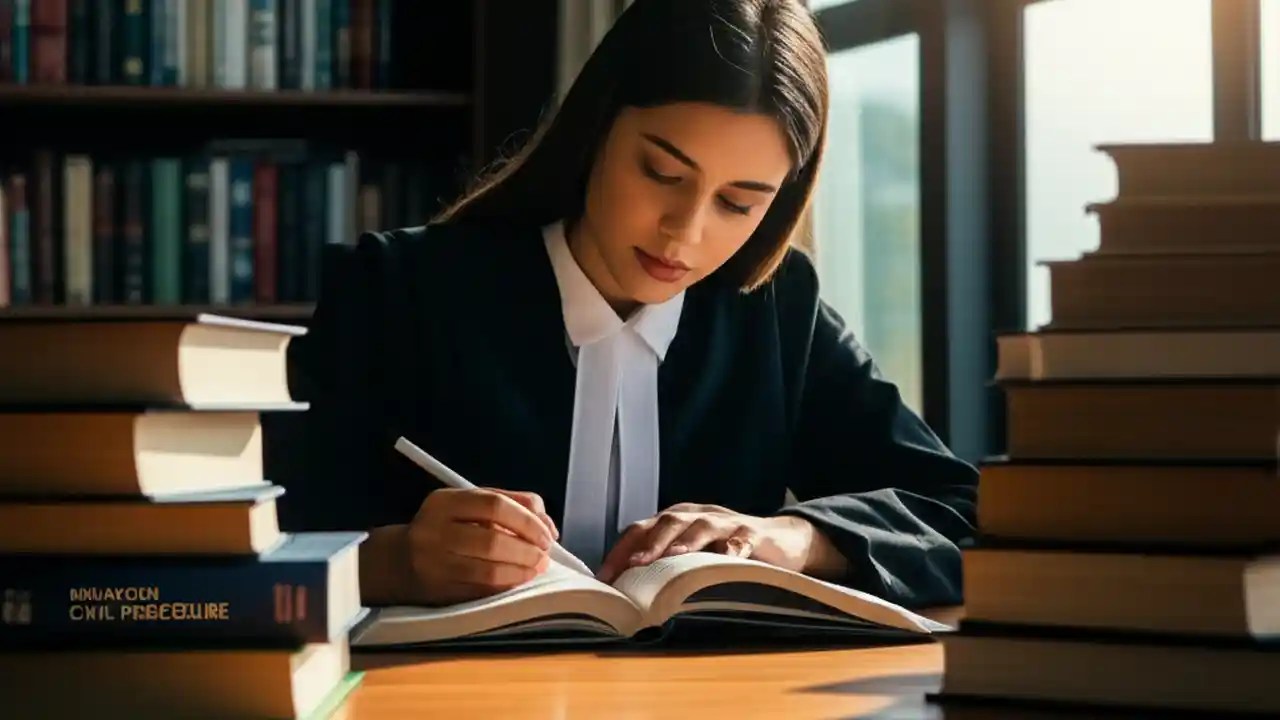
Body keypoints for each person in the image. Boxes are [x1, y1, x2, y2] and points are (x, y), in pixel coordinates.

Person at [285, 0, 978, 611]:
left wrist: (794, 538)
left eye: (739, 203)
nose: (687, 231)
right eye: (663, 173)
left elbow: (961, 513)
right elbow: (251, 544)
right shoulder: (398, 289)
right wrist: (396, 562)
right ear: (596, 130)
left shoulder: (775, 309)